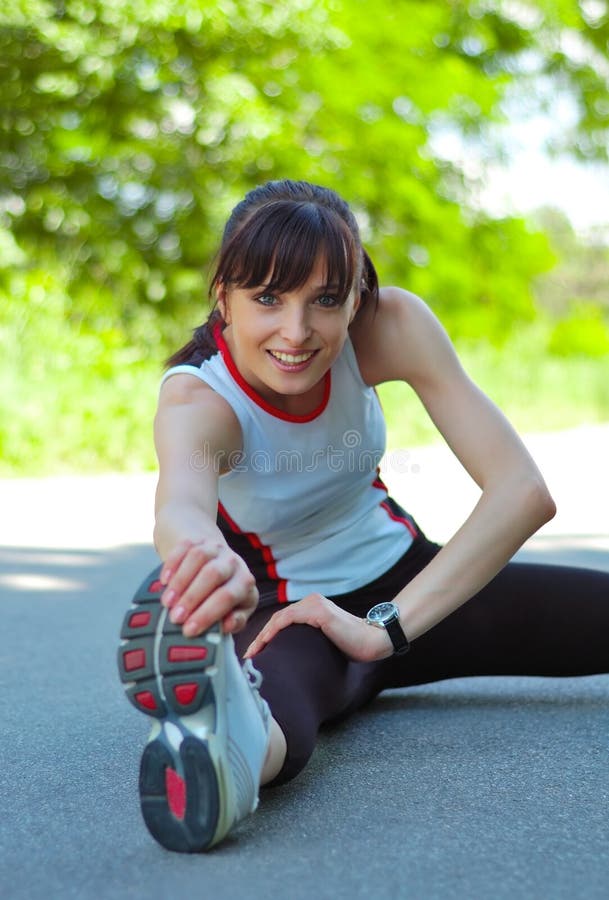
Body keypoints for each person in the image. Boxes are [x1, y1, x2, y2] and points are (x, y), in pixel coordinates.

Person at [117, 179, 609, 853]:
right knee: (272, 724)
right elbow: (180, 506)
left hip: (415, 589)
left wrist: (386, 628)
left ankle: (243, 712)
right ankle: (213, 762)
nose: (296, 332)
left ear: (355, 297)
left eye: (325, 299)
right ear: (222, 297)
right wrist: (205, 561)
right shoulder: (201, 400)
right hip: (293, 616)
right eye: (267, 297)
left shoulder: (391, 327)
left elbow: (521, 491)